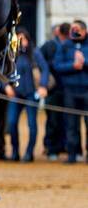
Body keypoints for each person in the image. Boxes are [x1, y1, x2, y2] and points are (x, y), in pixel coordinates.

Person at [3, 29, 48, 162]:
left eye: (23, 39)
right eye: (18, 39)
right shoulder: (10, 54)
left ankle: (29, 152)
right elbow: (2, 72)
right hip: (15, 95)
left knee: (32, 124)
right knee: (11, 123)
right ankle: (15, 151)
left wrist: (43, 86)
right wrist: (5, 86)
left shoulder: (35, 53)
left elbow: (44, 69)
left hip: (31, 95)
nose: (21, 42)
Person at [53, 19, 88, 163]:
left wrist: (84, 63)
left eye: (77, 29)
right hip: (70, 91)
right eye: (72, 29)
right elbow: (58, 66)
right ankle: (72, 154)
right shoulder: (64, 46)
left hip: (87, 91)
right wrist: (73, 66)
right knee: (71, 124)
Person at [41, 22, 70, 158]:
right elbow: (38, 61)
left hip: (67, 89)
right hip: (53, 90)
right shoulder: (48, 46)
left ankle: (64, 146)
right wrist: (44, 81)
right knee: (52, 120)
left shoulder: (70, 45)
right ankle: (51, 147)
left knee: (67, 120)